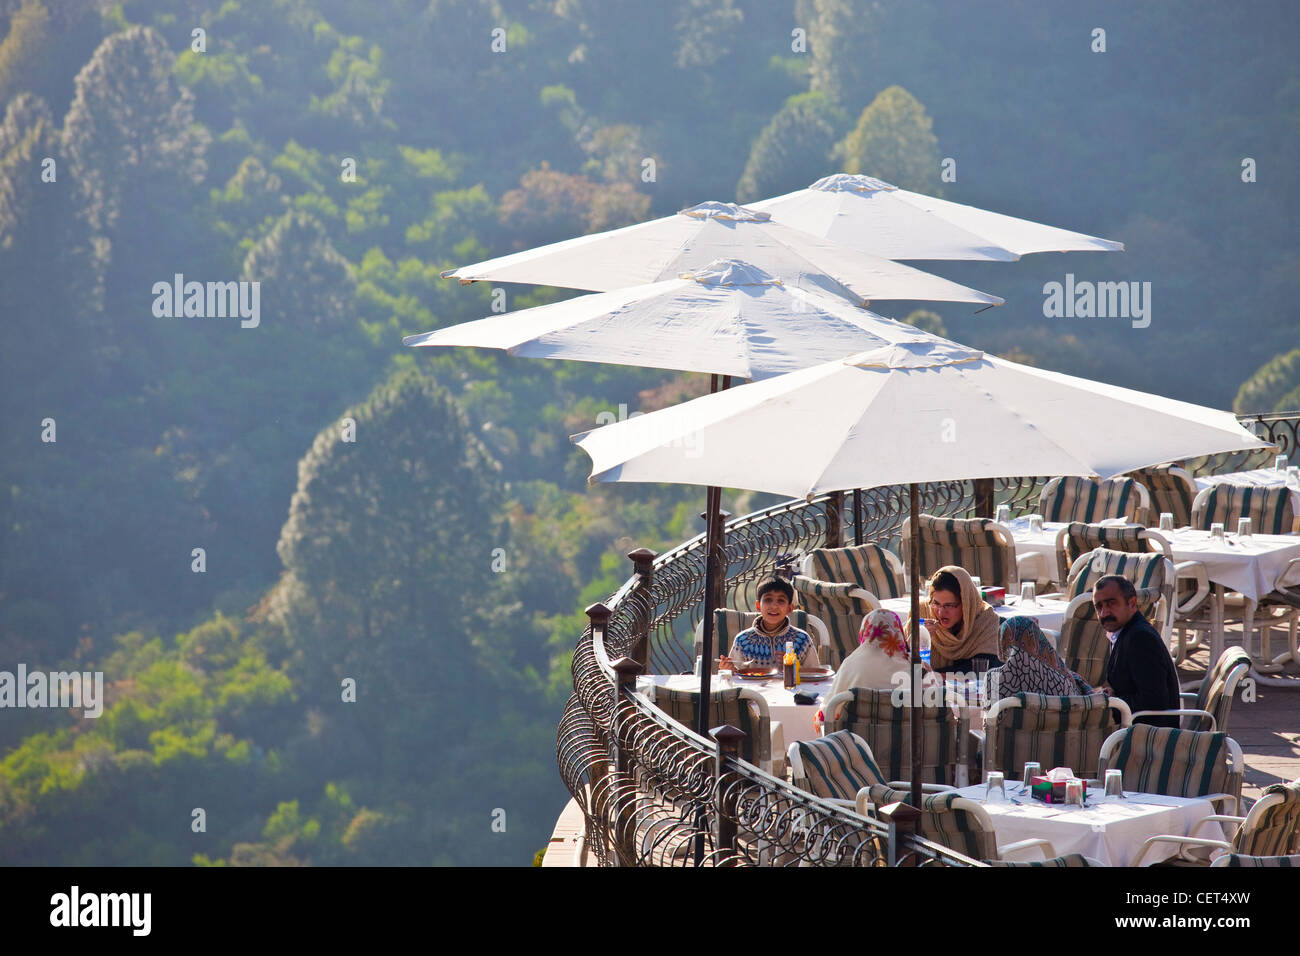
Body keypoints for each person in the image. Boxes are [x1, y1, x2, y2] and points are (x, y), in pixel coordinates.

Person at [1094, 575, 1179, 727]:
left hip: (1150, 739)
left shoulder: (1140, 638)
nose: (1104, 613)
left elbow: (1155, 701)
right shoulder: (1126, 632)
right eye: (1099, 606)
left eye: (1111, 604)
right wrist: (1114, 695)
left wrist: (1112, 702)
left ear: (1132, 603)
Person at [829, 608, 941, 697]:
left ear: (864, 633)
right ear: (899, 633)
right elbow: (937, 704)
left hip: (858, 726)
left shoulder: (849, 665)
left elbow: (829, 711)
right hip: (906, 725)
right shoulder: (917, 667)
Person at [911, 566, 1001, 673]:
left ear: (966, 604)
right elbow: (900, 662)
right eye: (936, 603)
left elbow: (981, 668)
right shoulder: (922, 612)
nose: (940, 612)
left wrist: (935, 676)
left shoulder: (985, 620)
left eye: (949, 605)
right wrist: (914, 640)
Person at [723, 575, 821, 669]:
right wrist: (729, 669)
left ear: (790, 608)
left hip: (790, 686)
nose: (774, 606)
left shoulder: (802, 640)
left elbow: (814, 673)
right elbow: (735, 674)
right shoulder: (743, 640)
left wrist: (794, 667)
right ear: (758, 606)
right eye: (768, 600)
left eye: (781, 601)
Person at [986, 616, 1091, 702]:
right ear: (1038, 639)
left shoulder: (993, 678)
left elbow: (987, 716)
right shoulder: (1063, 681)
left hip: (1009, 727)